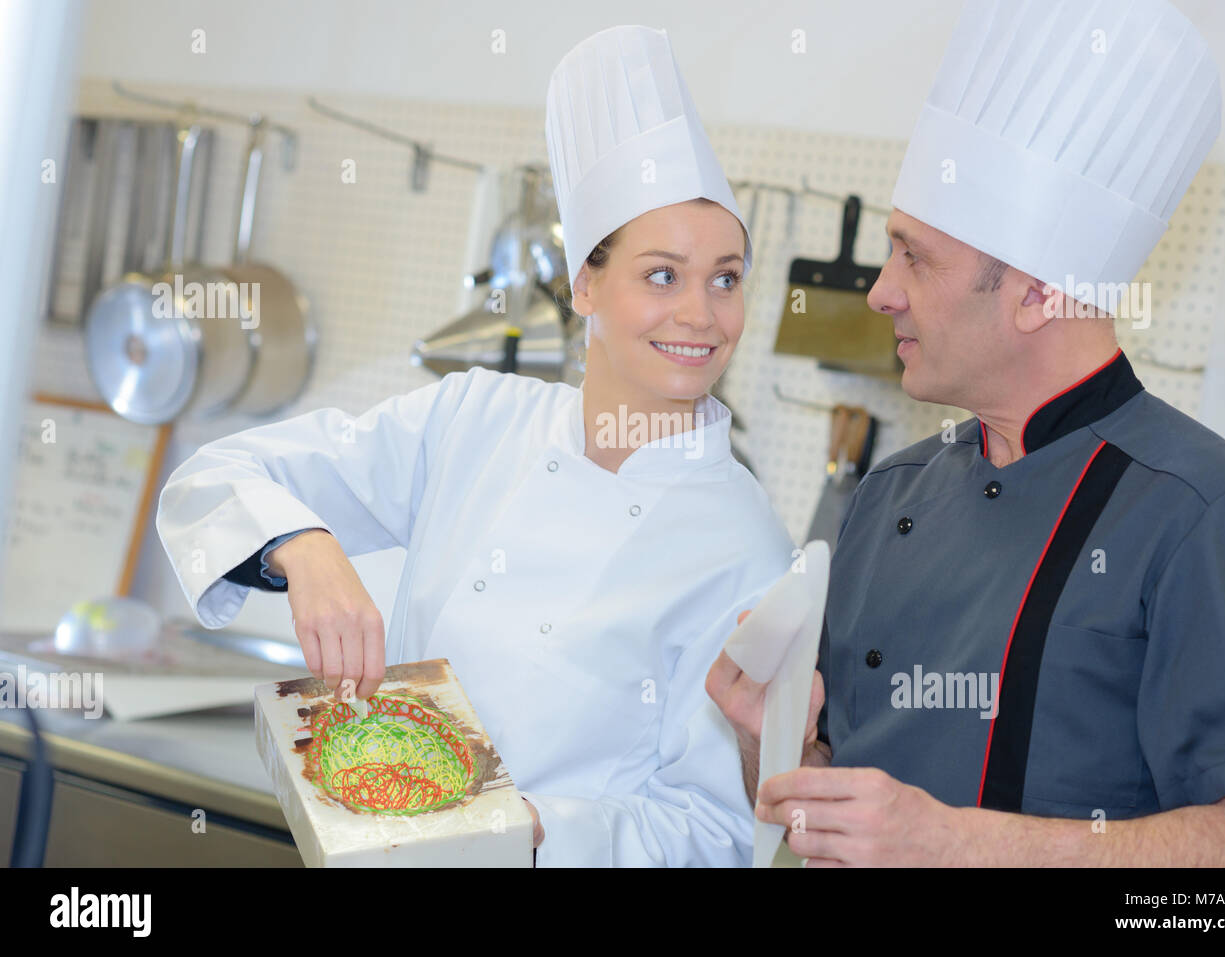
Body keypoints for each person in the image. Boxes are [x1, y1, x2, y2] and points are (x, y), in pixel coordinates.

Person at [156, 24, 794, 867]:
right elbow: (215, 476)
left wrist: (523, 825)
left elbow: (716, 835)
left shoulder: (745, 544)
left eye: (727, 277)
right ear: (585, 284)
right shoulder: (477, 418)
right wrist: (303, 545)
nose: (702, 315)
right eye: (662, 274)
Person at [709, 0, 1225, 865]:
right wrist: (768, 741)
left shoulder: (1209, 513)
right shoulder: (888, 494)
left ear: (1036, 295)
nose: (880, 291)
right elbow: (830, 819)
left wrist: (951, 841)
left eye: (915, 257)